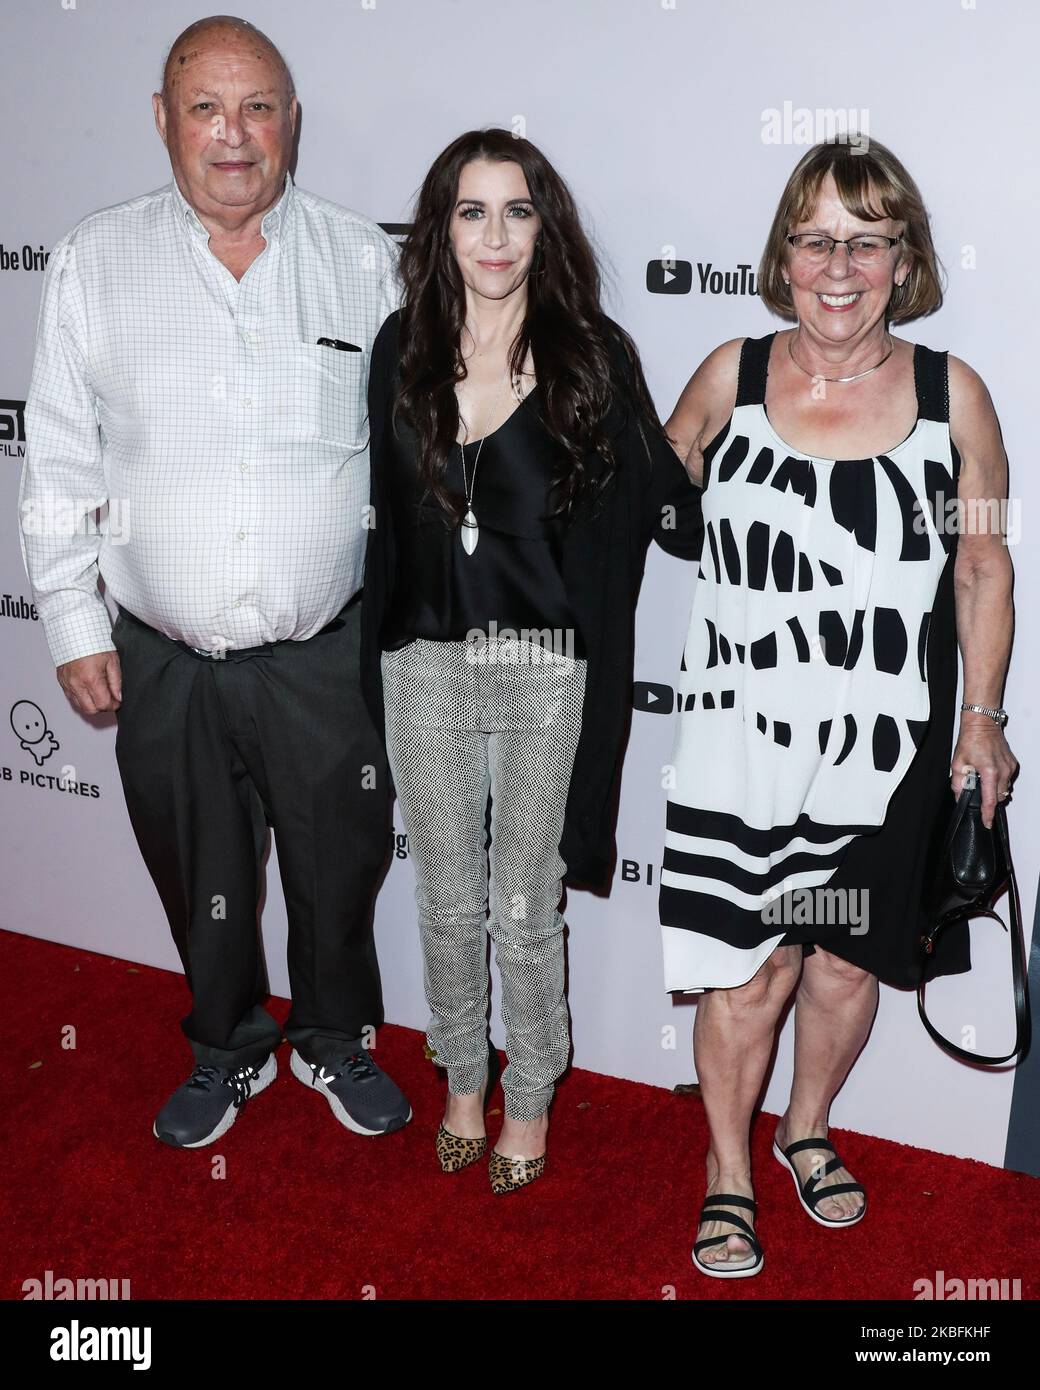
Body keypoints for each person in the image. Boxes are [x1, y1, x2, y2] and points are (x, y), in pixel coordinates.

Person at [18, 15, 411, 1148]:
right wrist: (74, 619)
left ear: (292, 123)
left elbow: (414, 450)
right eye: (204, 107)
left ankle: (335, 1037)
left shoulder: (363, 261)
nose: (232, 136)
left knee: (341, 867)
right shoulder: (99, 259)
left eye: (257, 108)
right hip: (162, 655)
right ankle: (227, 1044)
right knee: (203, 873)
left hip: (329, 656)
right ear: (162, 120)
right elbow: (59, 456)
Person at [659, 137, 1017, 1276]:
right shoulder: (728, 369)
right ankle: (726, 1169)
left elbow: (982, 569)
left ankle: (801, 1127)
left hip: (878, 751)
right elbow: (644, 494)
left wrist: (981, 719)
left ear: (902, 256)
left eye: (866, 240)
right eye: (815, 238)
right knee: (743, 970)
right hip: (733, 745)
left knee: (841, 963)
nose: (838, 265)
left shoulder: (947, 393)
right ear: (782, 252)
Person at [361, 128, 703, 1193]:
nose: (494, 235)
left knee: (523, 899)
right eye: (471, 211)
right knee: (446, 897)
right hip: (422, 659)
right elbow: (384, 522)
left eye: (517, 211)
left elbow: (664, 506)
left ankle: (531, 1090)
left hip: (547, 665)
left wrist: (728, 404)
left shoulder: (589, 355)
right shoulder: (397, 347)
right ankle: (462, 1073)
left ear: (543, 227)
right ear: (441, 227)